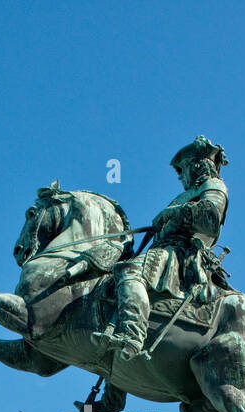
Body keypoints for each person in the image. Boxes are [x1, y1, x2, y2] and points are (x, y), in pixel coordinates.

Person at [96, 136, 231, 360]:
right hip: (163, 250)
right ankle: (113, 394)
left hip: (179, 254)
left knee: (130, 272)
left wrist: (172, 213)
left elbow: (210, 218)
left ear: (197, 166)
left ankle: (133, 335)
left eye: (183, 169)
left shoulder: (214, 185)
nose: (180, 177)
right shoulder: (185, 194)